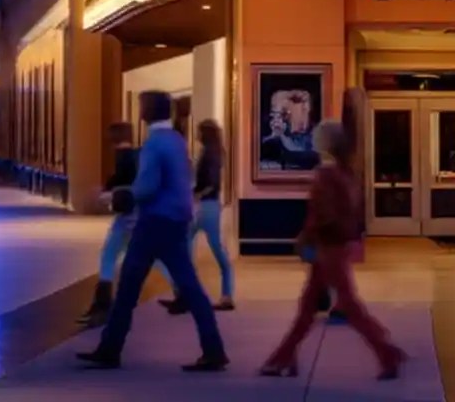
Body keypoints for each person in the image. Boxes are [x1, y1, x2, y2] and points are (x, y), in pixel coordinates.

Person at [77, 90, 228, 372]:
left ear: (149, 111)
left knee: (128, 287)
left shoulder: (155, 144)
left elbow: (147, 188)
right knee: (190, 287)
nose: (140, 110)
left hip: (154, 222)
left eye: (142, 105)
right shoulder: (176, 141)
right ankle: (213, 348)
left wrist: (112, 196)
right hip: (176, 221)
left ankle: (110, 349)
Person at [260, 119, 404, 380]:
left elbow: (323, 214)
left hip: (326, 247)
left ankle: (385, 351)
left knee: (346, 306)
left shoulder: (327, 175)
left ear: (324, 143)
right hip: (336, 245)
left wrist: (306, 236)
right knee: (309, 307)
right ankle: (283, 357)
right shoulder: (346, 173)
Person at [160, 119, 235, 313]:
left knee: (183, 251)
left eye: (199, 132)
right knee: (217, 251)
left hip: (202, 206)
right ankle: (226, 295)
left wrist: (195, 196)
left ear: (205, 134)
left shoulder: (208, 154)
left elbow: (209, 183)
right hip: (211, 207)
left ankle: (183, 295)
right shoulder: (216, 153)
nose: (196, 135)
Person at [76, 123, 139, 326]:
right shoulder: (136, 156)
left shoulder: (124, 156)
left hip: (128, 216)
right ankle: (182, 292)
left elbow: (121, 181)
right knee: (155, 259)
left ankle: (103, 305)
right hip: (135, 216)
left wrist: (105, 191)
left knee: (109, 256)